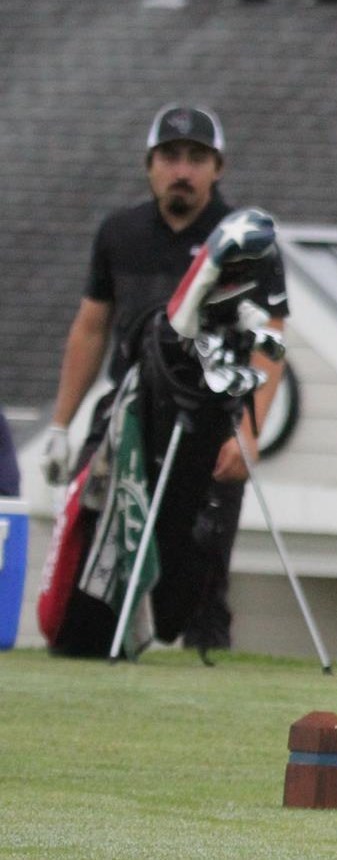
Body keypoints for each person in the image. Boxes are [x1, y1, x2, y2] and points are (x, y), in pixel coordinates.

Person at [40, 104, 288, 653]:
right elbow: (90, 329)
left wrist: (250, 432)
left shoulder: (243, 239)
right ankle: (90, 642)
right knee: (91, 543)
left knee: (198, 575)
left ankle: (202, 651)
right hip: (128, 411)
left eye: (196, 158)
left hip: (212, 414)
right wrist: (60, 424)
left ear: (217, 168)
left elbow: (270, 339)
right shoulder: (119, 233)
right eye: (170, 157)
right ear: (149, 165)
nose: (182, 170)